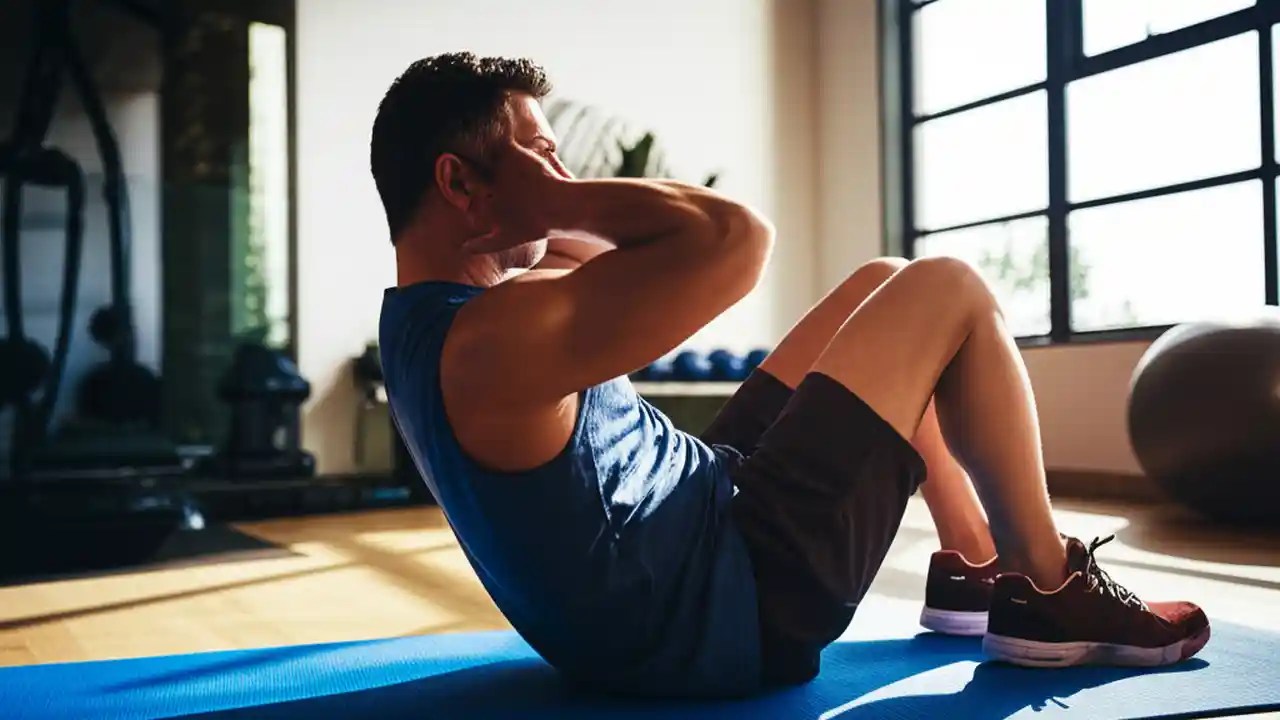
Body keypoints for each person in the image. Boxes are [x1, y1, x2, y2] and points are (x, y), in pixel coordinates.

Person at [373, 52, 1209, 699]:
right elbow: (739, 241)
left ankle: (974, 565)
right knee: (949, 289)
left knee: (882, 286)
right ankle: (1050, 588)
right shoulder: (494, 342)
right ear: (459, 180)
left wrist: (536, 204)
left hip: (690, 535)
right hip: (732, 607)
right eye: (540, 158)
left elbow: (609, 253)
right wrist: (555, 203)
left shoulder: (431, 321)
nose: (559, 180)